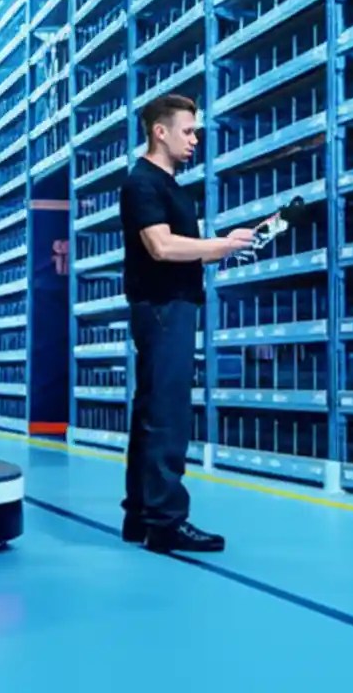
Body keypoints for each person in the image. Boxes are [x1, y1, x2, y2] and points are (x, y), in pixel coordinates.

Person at [117, 94, 255, 553]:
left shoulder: (172, 185)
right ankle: (166, 522)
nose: (195, 139)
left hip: (171, 304)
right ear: (160, 131)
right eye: (188, 130)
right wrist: (221, 246)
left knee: (151, 411)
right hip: (162, 307)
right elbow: (161, 247)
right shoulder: (143, 182)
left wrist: (221, 245)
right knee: (167, 414)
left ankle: (140, 515)